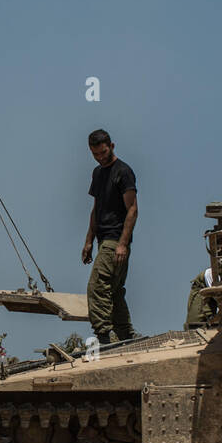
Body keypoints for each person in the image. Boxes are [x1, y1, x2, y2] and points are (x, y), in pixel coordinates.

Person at [81, 129, 138, 344]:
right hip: (102, 240)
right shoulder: (98, 173)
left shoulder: (123, 172)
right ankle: (126, 336)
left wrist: (123, 244)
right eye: (95, 154)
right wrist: (88, 241)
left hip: (115, 240)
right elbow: (96, 208)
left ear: (112, 146)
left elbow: (132, 209)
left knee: (97, 287)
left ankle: (103, 338)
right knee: (114, 291)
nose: (100, 157)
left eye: (103, 152)